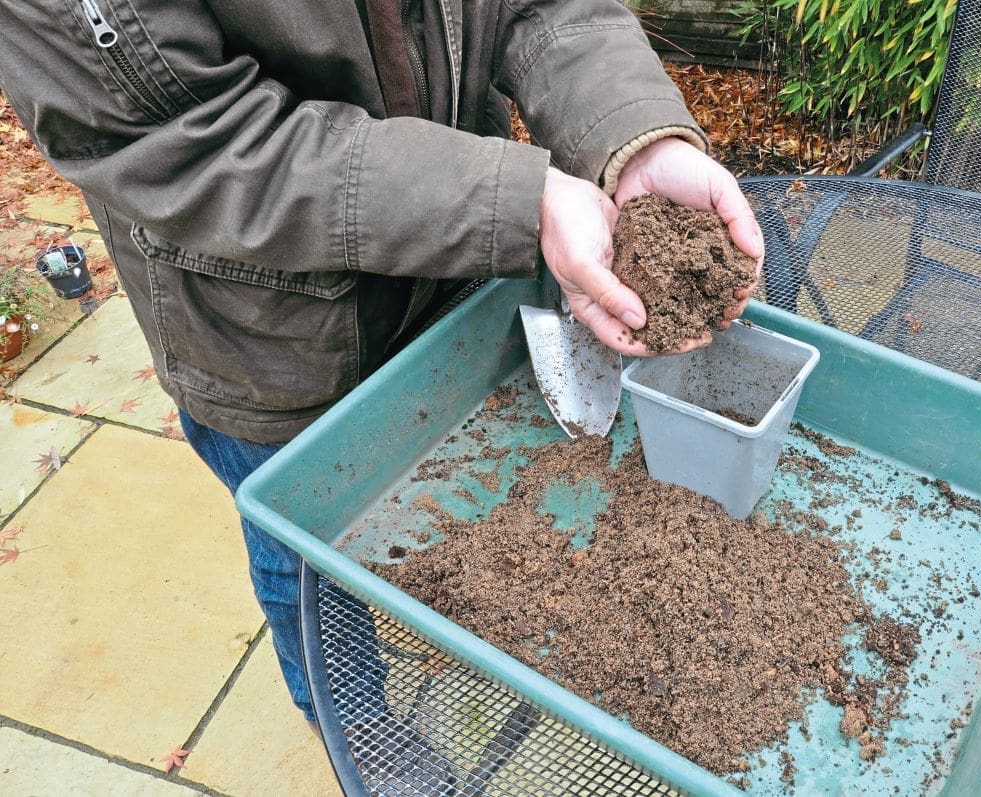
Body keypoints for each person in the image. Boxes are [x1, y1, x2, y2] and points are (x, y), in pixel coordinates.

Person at [0, 0, 763, 739]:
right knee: (306, 560)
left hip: (457, 268)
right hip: (267, 342)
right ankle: (350, 717)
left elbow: (542, 7)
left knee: (438, 507)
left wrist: (637, 137)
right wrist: (517, 202)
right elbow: (189, 139)